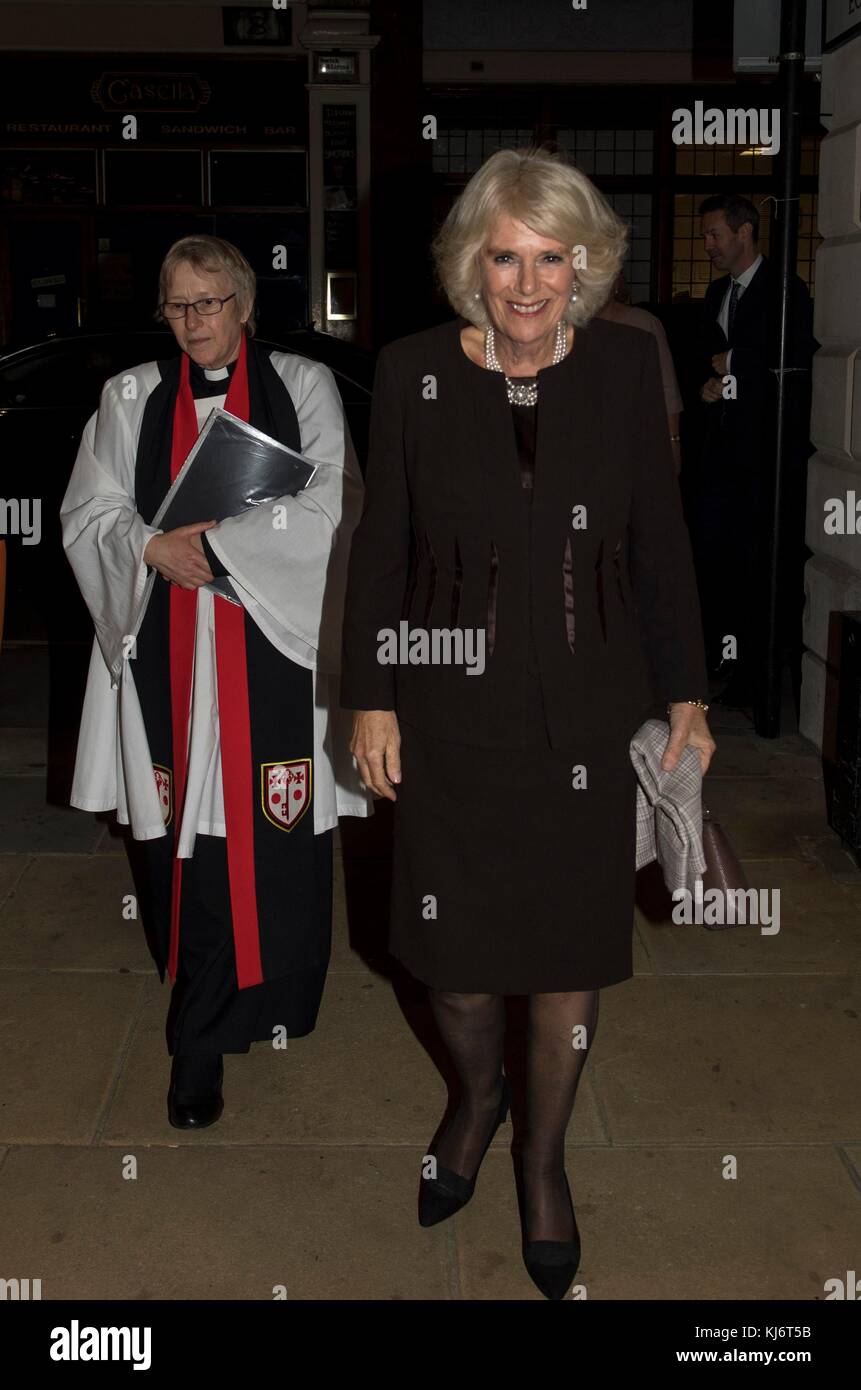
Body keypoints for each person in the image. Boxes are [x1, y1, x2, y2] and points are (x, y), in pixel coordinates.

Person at [340, 148, 715, 1299]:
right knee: (454, 970)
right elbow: (384, 546)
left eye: (552, 256)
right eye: (505, 254)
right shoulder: (413, 372)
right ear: (471, 261)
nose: (527, 280)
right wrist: (369, 692)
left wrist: (689, 692)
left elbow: (659, 539)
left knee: (562, 970)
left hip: (586, 719)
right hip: (451, 711)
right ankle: (479, 1096)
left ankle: (543, 1167)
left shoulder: (618, 368)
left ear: (587, 263)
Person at [61, 235, 369, 1129]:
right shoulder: (129, 396)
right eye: (176, 304)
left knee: (267, 828)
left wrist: (220, 551)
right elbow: (90, 509)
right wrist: (151, 548)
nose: (193, 321)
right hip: (166, 638)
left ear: (244, 304)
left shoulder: (302, 385)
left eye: (209, 301)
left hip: (267, 634)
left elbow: (329, 502)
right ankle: (197, 1038)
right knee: (185, 832)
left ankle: (262, 1003)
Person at [692, 193, 815, 706]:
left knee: (761, 564)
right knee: (720, 561)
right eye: (704, 237)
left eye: (715, 235)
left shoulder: (786, 289)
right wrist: (707, 383)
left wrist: (735, 361)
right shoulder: (716, 291)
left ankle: (760, 676)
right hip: (721, 456)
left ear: (745, 233)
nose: (708, 247)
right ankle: (728, 663)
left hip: (766, 460)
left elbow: (794, 360)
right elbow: (702, 355)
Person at [597, 269, 684, 474]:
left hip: (636, 443)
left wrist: (673, 443)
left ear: (617, 281)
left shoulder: (644, 323)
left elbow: (667, 390)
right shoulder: (567, 326)